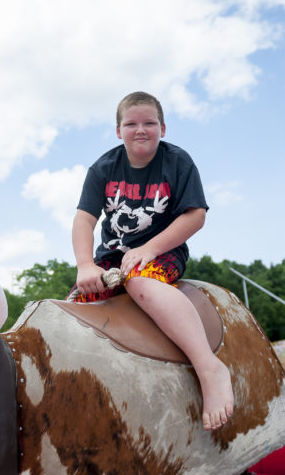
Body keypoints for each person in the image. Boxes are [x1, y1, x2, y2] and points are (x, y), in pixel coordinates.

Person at [70, 91, 233, 431]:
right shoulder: (103, 169)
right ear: (118, 131)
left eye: (149, 123)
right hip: (110, 260)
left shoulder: (178, 162)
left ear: (163, 127)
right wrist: (85, 265)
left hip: (162, 251)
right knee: (74, 305)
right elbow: (85, 219)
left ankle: (209, 368)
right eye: (131, 123)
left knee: (141, 282)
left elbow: (195, 215)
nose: (140, 129)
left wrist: (150, 249)